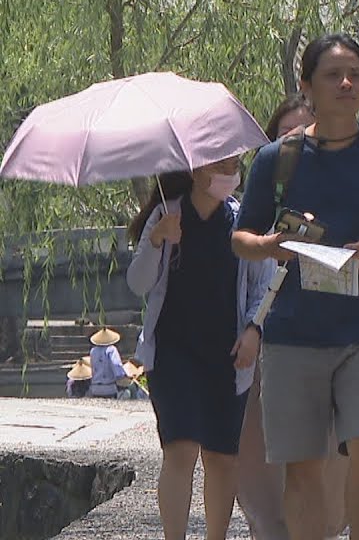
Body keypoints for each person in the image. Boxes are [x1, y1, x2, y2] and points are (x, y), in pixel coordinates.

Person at [232, 33, 359, 540]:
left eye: (356, 75)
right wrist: (271, 244)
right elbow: (241, 237)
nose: (347, 84)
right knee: (301, 467)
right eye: (332, 75)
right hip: (293, 332)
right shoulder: (277, 160)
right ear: (306, 87)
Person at [126, 160, 276, 540]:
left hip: (227, 354)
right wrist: (158, 239)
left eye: (234, 164)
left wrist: (253, 330)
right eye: (221, 165)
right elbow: (138, 282)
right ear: (197, 171)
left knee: (222, 458)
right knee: (180, 449)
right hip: (174, 353)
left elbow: (264, 285)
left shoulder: (243, 221)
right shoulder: (167, 213)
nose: (231, 172)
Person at [236, 94, 352, 540]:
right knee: (262, 472)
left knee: (323, 465)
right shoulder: (253, 210)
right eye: (287, 136)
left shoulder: (346, 198)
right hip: (261, 352)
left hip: (325, 348)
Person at [87, 327, 147, 399]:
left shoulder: (93, 351)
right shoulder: (111, 350)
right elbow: (116, 365)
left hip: (95, 387)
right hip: (109, 387)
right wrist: (124, 375)